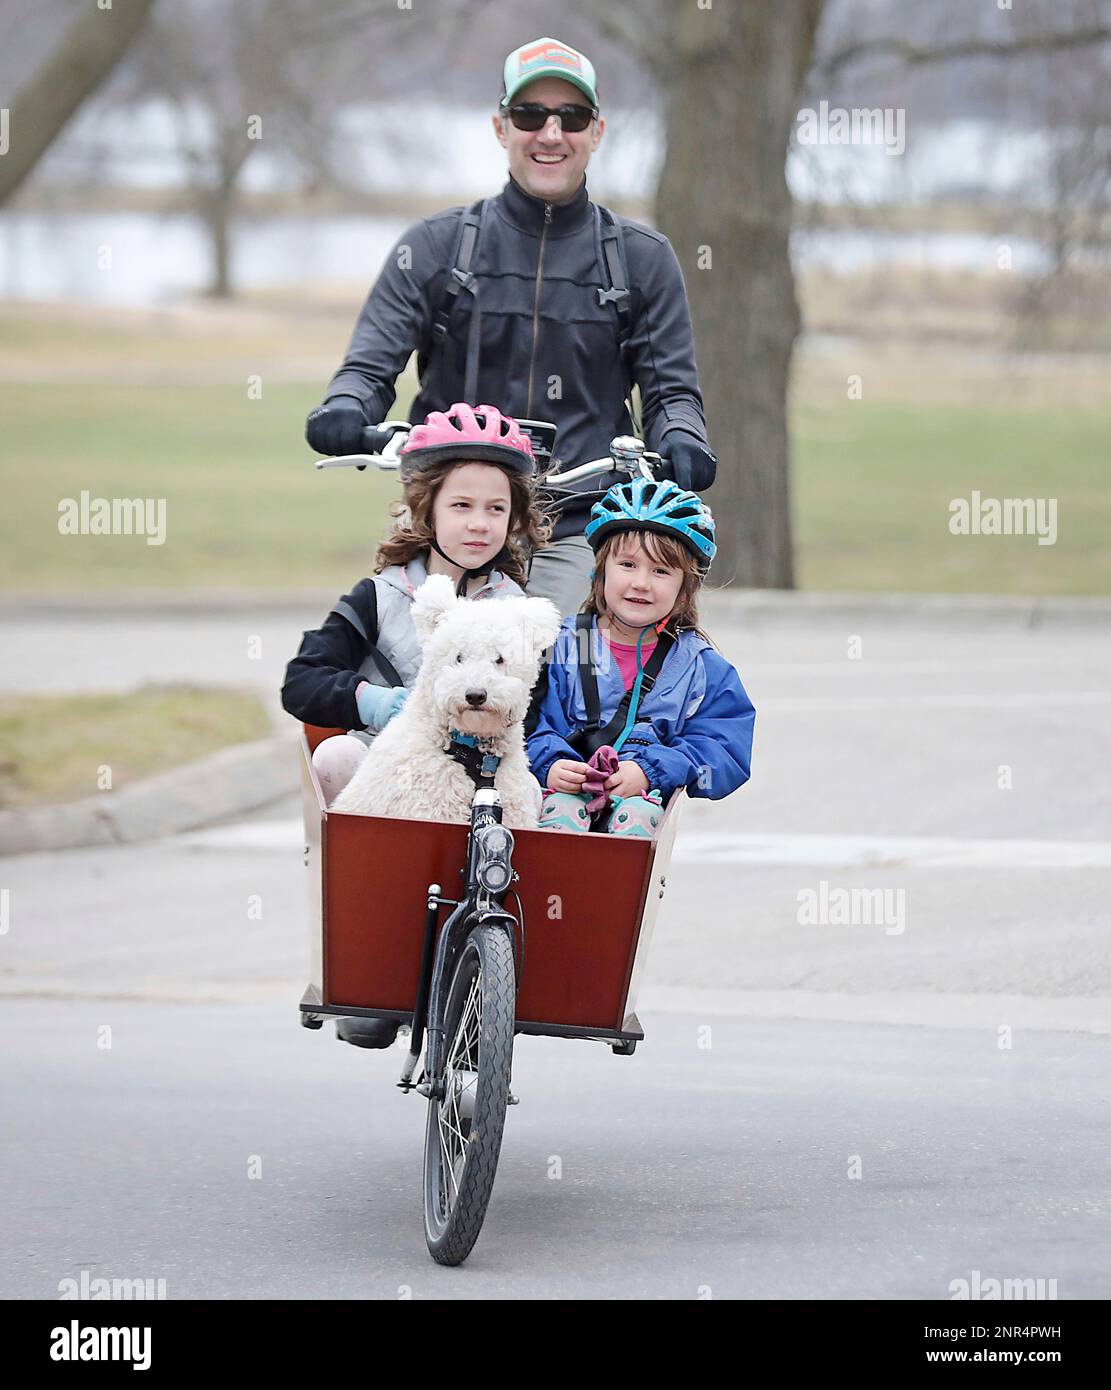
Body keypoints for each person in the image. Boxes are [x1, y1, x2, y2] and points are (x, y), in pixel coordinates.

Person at [304, 35, 716, 619]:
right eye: (530, 114)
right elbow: (370, 364)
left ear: (596, 132)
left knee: (562, 671)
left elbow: (672, 390)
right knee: (413, 671)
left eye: (571, 117)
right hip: (451, 516)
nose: (551, 133)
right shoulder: (435, 246)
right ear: (501, 127)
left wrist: (683, 437)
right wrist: (345, 407)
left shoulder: (643, 259)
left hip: (577, 522)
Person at [281, 403, 549, 1047]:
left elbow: (544, 711)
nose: (479, 524)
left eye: (496, 508)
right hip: (391, 768)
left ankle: (498, 971)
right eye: (461, 506)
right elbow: (303, 681)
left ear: (514, 519)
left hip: (487, 769)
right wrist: (378, 704)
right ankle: (368, 956)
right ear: (426, 509)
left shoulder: (522, 613)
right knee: (334, 761)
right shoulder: (380, 596)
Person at [526, 478, 755, 835]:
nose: (642, 583)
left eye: (661, 570)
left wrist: (653, 770)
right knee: (559, 815)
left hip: (640, 804)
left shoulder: (700, 666)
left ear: (686, 586)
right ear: (600, 570)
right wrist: (550, 762)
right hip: (559, 793)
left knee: (635, 820)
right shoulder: (563, 645)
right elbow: (526, 724)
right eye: (628, 565)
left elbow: (725, 751)